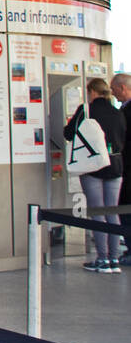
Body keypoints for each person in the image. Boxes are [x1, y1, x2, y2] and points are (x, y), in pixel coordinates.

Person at [64, 77, 125, 273]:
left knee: (98, 212)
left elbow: (68, 133)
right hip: (115, 166)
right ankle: (114, 259)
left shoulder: (86, 110)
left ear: (91, 92)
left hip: (93, 167)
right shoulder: (118, 112)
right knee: (112, 212)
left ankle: (102, 259)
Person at [112, 72, 131, 260]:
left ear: (122, 88)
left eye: (114, 89)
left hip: (127, 169)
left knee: (125, 209)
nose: (112, 93)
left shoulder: (125, 113)